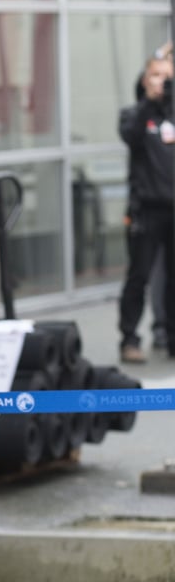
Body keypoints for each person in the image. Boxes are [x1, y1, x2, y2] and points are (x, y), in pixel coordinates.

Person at [118, 46, 175, 362]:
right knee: (138, 277)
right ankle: (129, 338)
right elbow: (131, 136)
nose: (161, 82)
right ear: (143, 79)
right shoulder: (134, 115)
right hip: (146, 211)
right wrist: (148, 100)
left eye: (167, 77)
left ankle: (169, 336)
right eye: (155, 75)